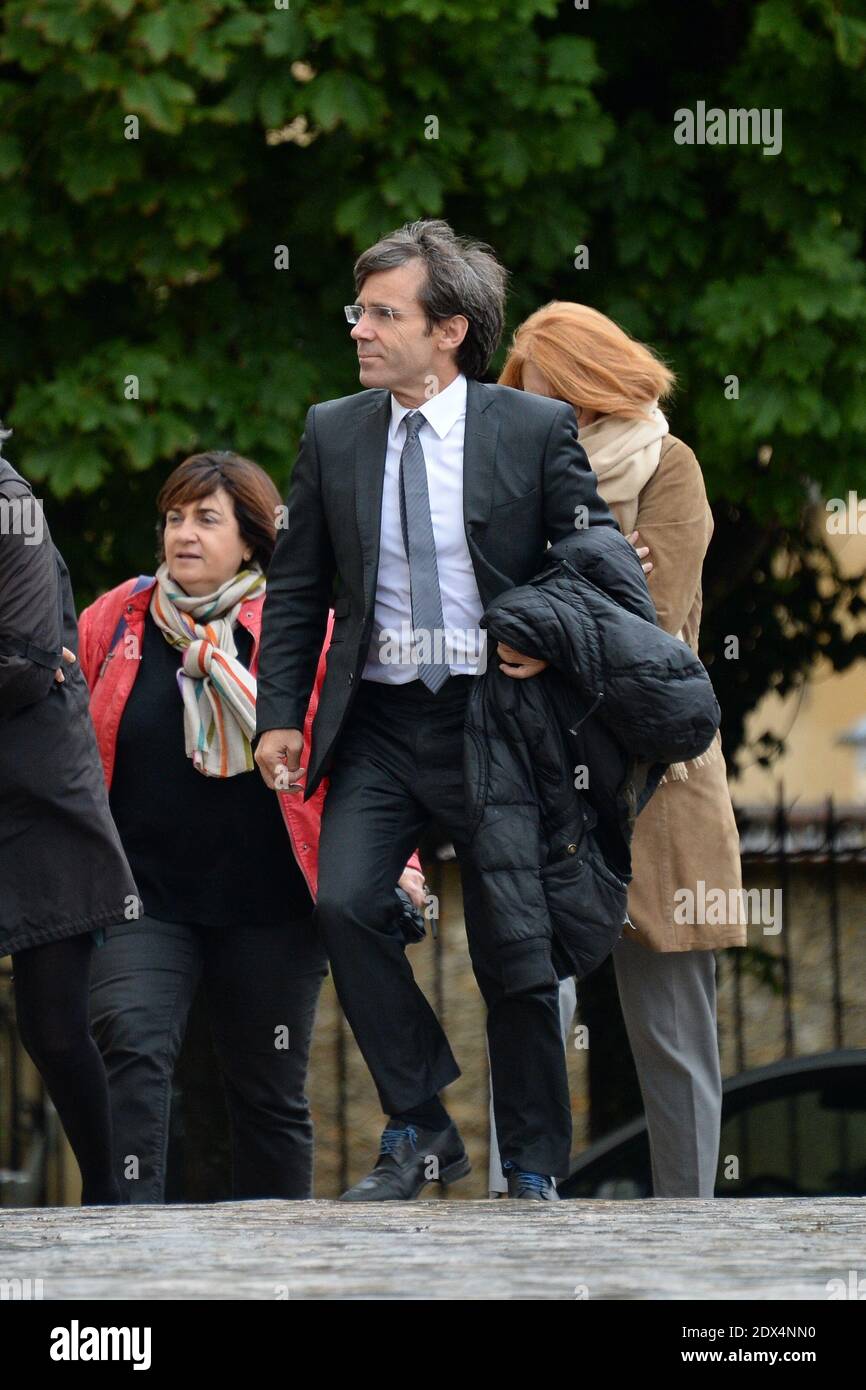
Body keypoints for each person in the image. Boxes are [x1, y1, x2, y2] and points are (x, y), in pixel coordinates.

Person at [255, 220, 620, 1202]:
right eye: (357, 311)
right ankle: (419, 1123)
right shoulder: (332, 431)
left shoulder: (530, 431)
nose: (360, 331)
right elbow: (295, 590)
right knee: (343, 902)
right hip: (374, 719)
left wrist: (541, 629)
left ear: (448, 330)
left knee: (515, 944)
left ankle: (536, 1166)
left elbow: (597, 564)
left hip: (490, 717)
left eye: (383, 314)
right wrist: (276, 712)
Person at [79, 451, 423, 1202]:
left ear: (252, 538)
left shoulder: (304, 631)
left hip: (271, 903)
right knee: (131, 1048)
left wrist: (404, 864)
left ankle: (278, 1266)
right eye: (174, 517)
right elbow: (69, 741)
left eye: (207, 518)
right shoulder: (116, 620)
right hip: (144, 895)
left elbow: (370, 757)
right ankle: (120, 1242)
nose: (184, 534)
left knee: (266, 1093)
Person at [492, 301, 745, 1197]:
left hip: (661, 788)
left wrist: (548, 614)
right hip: (541, 776)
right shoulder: (510, 474)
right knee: (531, 1002)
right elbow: (492, 615)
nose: (538, 413)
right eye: (527, 396)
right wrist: (590, 591)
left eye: (554, 394)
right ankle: (518, 1210)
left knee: (674, 1031)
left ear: (597, 386)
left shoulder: (669, 466)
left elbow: (655, 637)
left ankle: (690, 1223)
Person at [0, 440, 138, 1206]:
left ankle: (110, 1197)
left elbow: (22, 660)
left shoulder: (11, 505)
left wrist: (26, 662)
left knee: (52, 1025)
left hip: (35, 791)